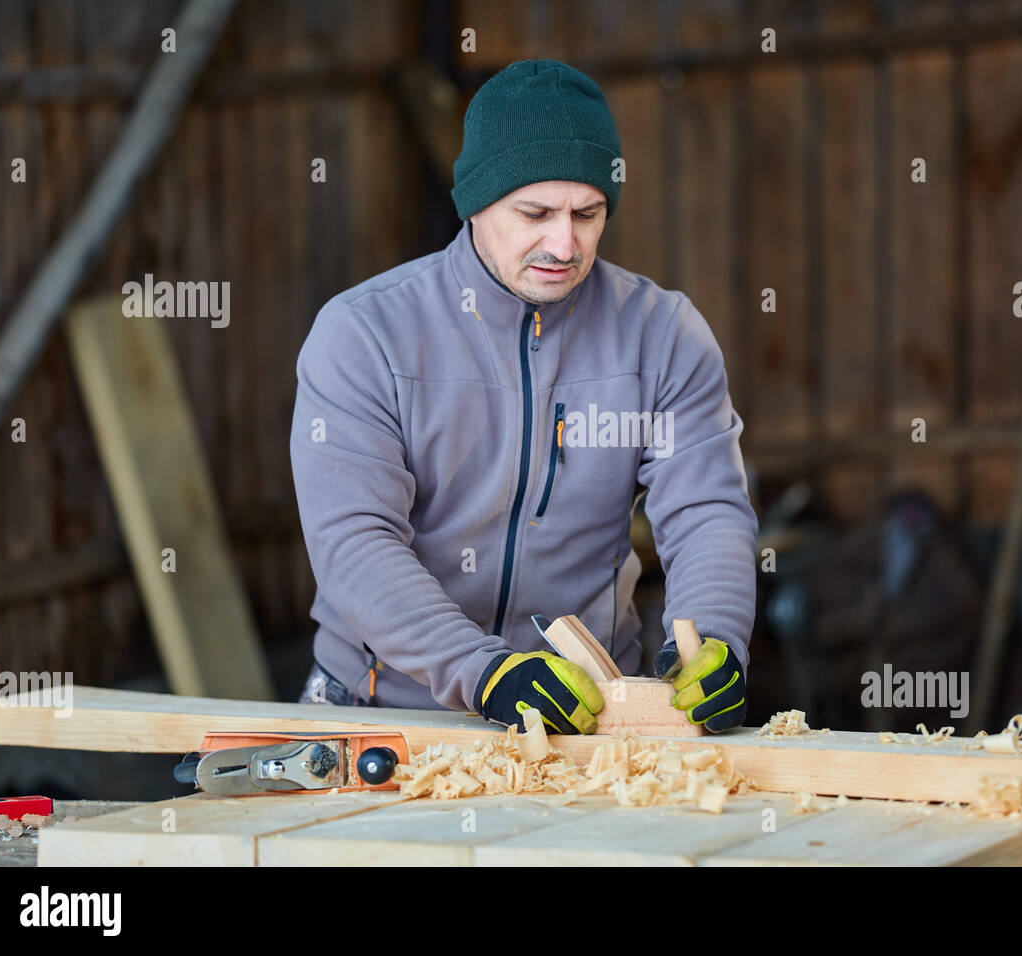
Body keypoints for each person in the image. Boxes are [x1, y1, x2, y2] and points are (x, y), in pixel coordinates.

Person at [290, 59, 757, 733]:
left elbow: (706, 509)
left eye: (587, 213)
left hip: (588, 713)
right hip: (385, 708)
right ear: (477, 202)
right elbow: (354, 542)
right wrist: (483, 670)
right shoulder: (366, 335)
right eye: (534, 213)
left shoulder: (662, 334)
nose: (564, 243)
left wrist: (713, 636)